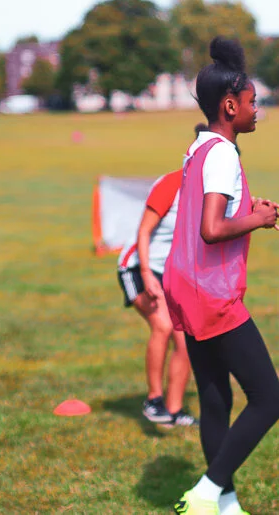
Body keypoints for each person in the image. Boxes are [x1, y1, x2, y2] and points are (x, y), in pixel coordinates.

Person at [163, 37, 279, 515]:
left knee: (216, 400)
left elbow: (208, 212)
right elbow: (212, 228)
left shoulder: (198, 149)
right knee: (269, 399)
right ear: (230, 105)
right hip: (212, 294)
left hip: (185, 287)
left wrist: (250, 209)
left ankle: (224, 504)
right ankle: (205, 492)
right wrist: (255, 219)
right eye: (254, 102)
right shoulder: (222, 155)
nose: (259, 111)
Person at [115, 127, 207, 429]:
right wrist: (146, 273)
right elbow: (143, 231)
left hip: (173, 273)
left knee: (188, 342)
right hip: (138, 266)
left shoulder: (213, 193)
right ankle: (153, 401)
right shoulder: (171, 184)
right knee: (164, 326)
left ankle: (174, 409)